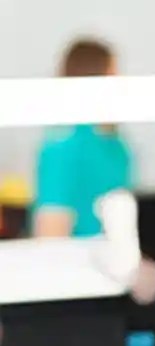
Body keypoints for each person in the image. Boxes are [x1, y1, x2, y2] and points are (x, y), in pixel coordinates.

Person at [32, 38, 133, 239]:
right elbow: (51, 235)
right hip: (77, 266)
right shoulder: (61, 150)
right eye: (113, 76)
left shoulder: (118, 148)